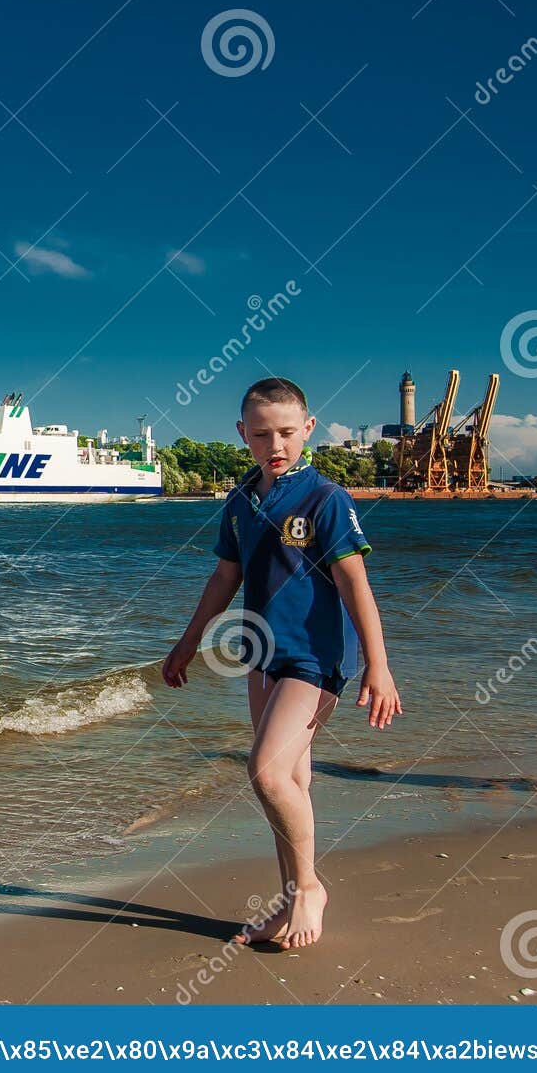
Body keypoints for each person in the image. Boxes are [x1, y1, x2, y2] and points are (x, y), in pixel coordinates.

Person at [162, 377, 402, 950]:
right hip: (261, 656)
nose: (276, 444)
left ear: (309, 430)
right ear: (242, 434)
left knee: (266, 772)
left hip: (315, 659)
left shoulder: (326, 498)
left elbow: (354, 582)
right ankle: (290, 896)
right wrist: (189, 641)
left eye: (288, 433)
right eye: (263, 433)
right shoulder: (242, 501)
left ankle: (309, 890)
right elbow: (226, 576)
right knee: (291, 780)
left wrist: (379, 665)